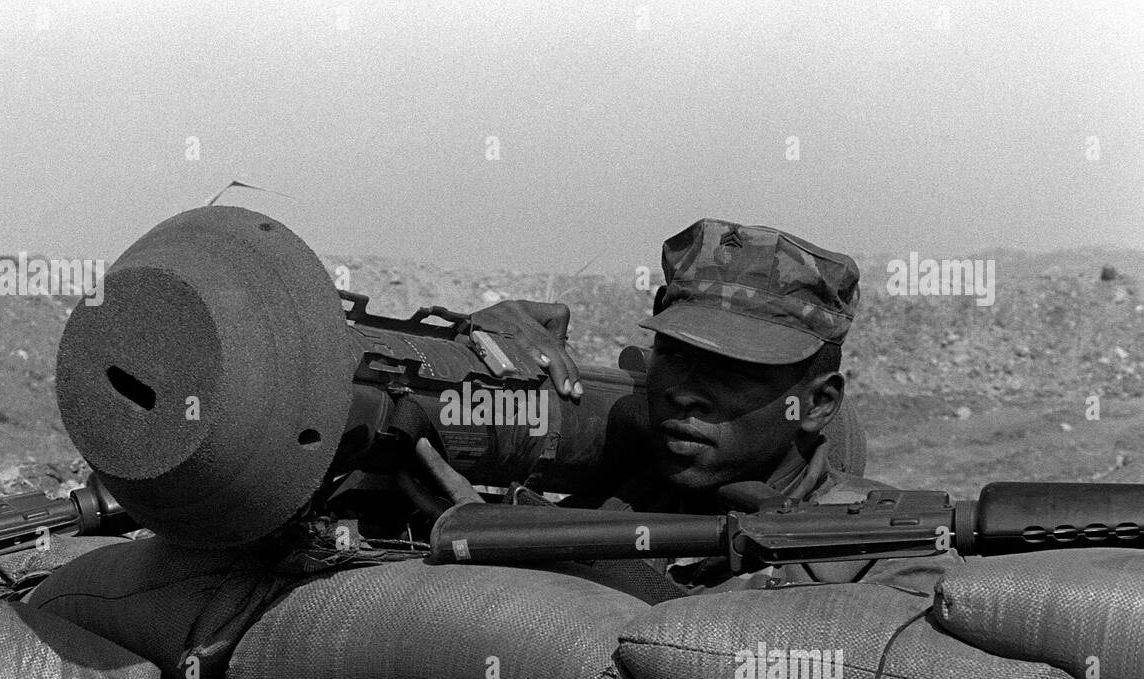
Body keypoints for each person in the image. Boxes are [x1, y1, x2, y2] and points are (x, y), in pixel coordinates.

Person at [407, 217, 956, 593]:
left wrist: (540, 548)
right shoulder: (619, 498)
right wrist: (474, 355)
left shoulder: (880, 542)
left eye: (734, 372)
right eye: (673, 355)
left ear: (817, 404)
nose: (684, 391)